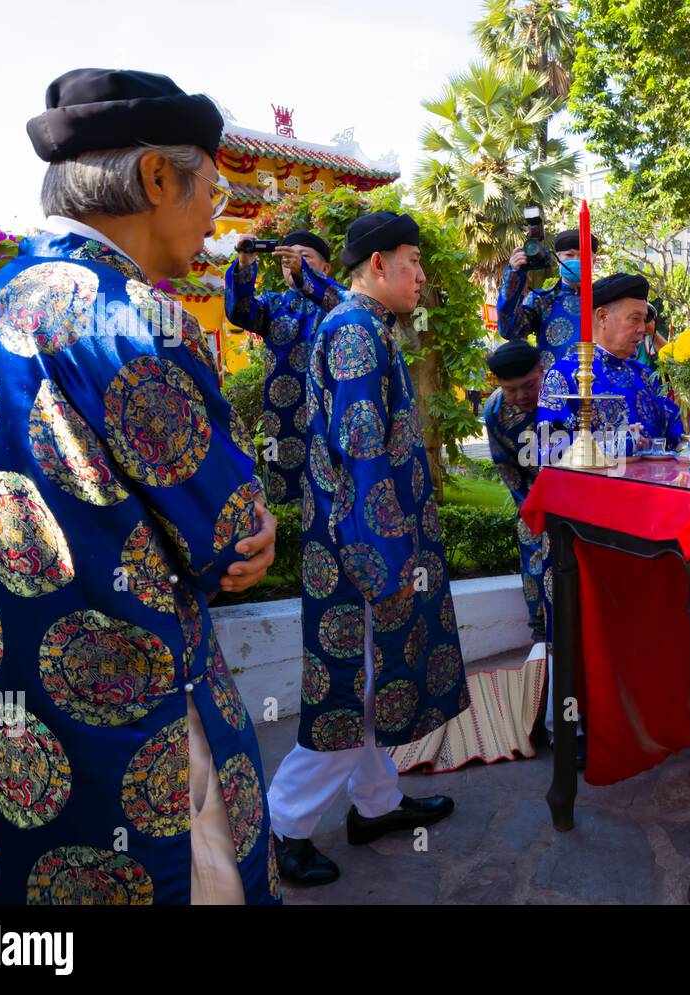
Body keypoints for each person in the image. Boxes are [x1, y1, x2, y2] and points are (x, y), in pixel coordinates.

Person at [0, 68, 280, 905]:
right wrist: (254, 515)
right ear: (158, 178)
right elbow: (226, 534)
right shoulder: (135, 319)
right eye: (214, 190)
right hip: (126, 699)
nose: (214, 221)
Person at [265, 212, 467, 885]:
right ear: (377, 264)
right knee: (349, 690)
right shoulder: (354, 331)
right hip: (361, 550)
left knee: (370, 682)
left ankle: (376, 803)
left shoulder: (358, 323)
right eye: (411, 261)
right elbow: (361, 453)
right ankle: (283, 827)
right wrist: (387, 564)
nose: (420, 275)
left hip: (356, 542)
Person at [224, 231, 343, 503]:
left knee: (333, 492)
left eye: (304, 258)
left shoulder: (337, 303)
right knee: (284, 495)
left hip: (329, 413)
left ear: (324, 268)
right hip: (282, 418)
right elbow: (241, 312)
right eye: (288, 259)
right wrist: (244, 264)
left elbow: (338, 300)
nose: (293, 263)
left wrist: (306, 277)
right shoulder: (272, 305)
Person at [537, 273, 684, 457]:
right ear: (602, 317)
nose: (642, 328)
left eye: (644, 320)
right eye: (634, 318)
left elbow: (675, 438)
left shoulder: (645, 375)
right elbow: (548, 448)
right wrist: (615, 445)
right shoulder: (565, 374)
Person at [483, 340, 550, 667]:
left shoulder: (566, 397)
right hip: (535, 498)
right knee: (530, 535)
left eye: (529, 386)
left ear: (542, 371)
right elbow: (507, 467)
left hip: (584, 495)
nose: (521, 396)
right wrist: (533, 509)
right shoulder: (495, 412)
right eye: (511, 390)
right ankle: (541, 637)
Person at [496, 228, 600, 371]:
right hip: (552, 387)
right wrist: (514, 275)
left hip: (597, 387)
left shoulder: (606, 298)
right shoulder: (541, 299)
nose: (576, 260)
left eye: (583, 256)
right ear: (558, 259)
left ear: (593, 261)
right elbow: (509, 330)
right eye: (569, 255)